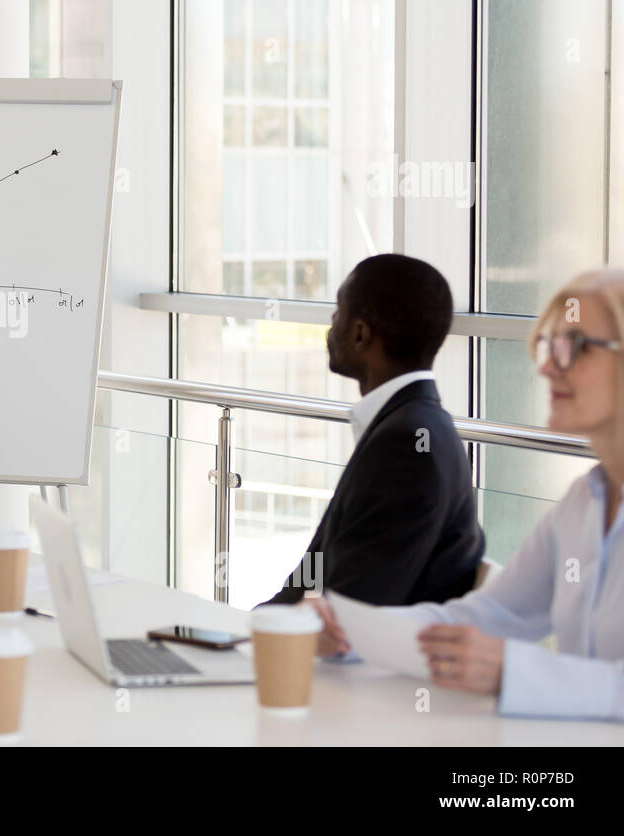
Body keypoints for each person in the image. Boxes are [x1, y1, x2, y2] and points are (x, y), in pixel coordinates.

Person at [315, 268, 624, 721]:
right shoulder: (584, 502)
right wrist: (350, 630)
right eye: (547, 344)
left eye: (574, 346)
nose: (545, 366)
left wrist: (515, 671)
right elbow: (487, 615)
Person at [262, 254, 484, 605]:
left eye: (339, 311)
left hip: (370, 655)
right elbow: (317, 567)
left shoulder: (406, 446)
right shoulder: (411, 424)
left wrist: (264, 633)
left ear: (360, 334)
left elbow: (355, 607)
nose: (332, 322)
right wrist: (258, 622)